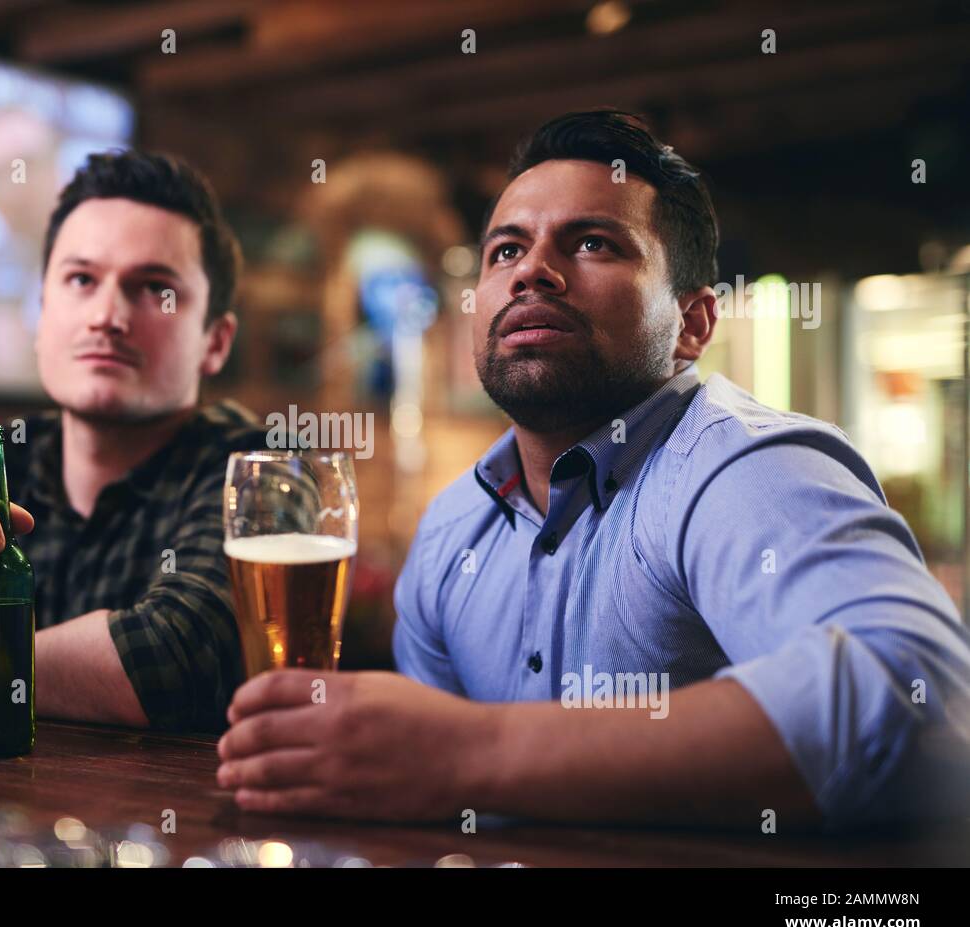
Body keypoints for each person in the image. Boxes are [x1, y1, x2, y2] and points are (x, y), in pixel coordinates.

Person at [217, 110, 970, 831]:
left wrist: (474, 750)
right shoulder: (451, 530)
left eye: (593, 244)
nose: (532, 272)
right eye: (506, 250)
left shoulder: (744, 466)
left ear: (694, 323)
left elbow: (918, 702)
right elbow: (419, 805)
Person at [0, 149, 266, 732]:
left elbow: (171, 659)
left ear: (216, 341)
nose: (107, 315)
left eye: (153, 287)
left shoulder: (258, 470)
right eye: (81, 279)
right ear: (42, 312)